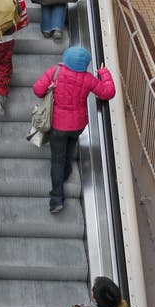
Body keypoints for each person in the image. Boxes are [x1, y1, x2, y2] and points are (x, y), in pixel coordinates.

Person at [33, 46, 115, 214]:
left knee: (56, 160)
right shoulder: (88, 79)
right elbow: (108, 92)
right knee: (70, 147)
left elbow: (37, 90)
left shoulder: (56, 71)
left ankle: (56, 199)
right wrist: (104, 73)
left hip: (57, 125)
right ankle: (66, 170)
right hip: (77, 125)